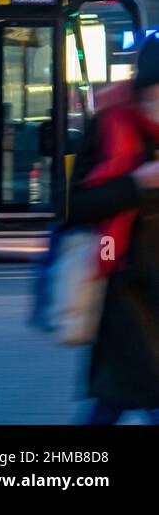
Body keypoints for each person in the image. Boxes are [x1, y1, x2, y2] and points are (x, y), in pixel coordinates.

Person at [66, 32, 159, 424]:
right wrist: (137, 184)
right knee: (123, 398)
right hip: (123, 291)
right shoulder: (111, 124)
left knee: (115, 403)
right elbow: (75, 207)